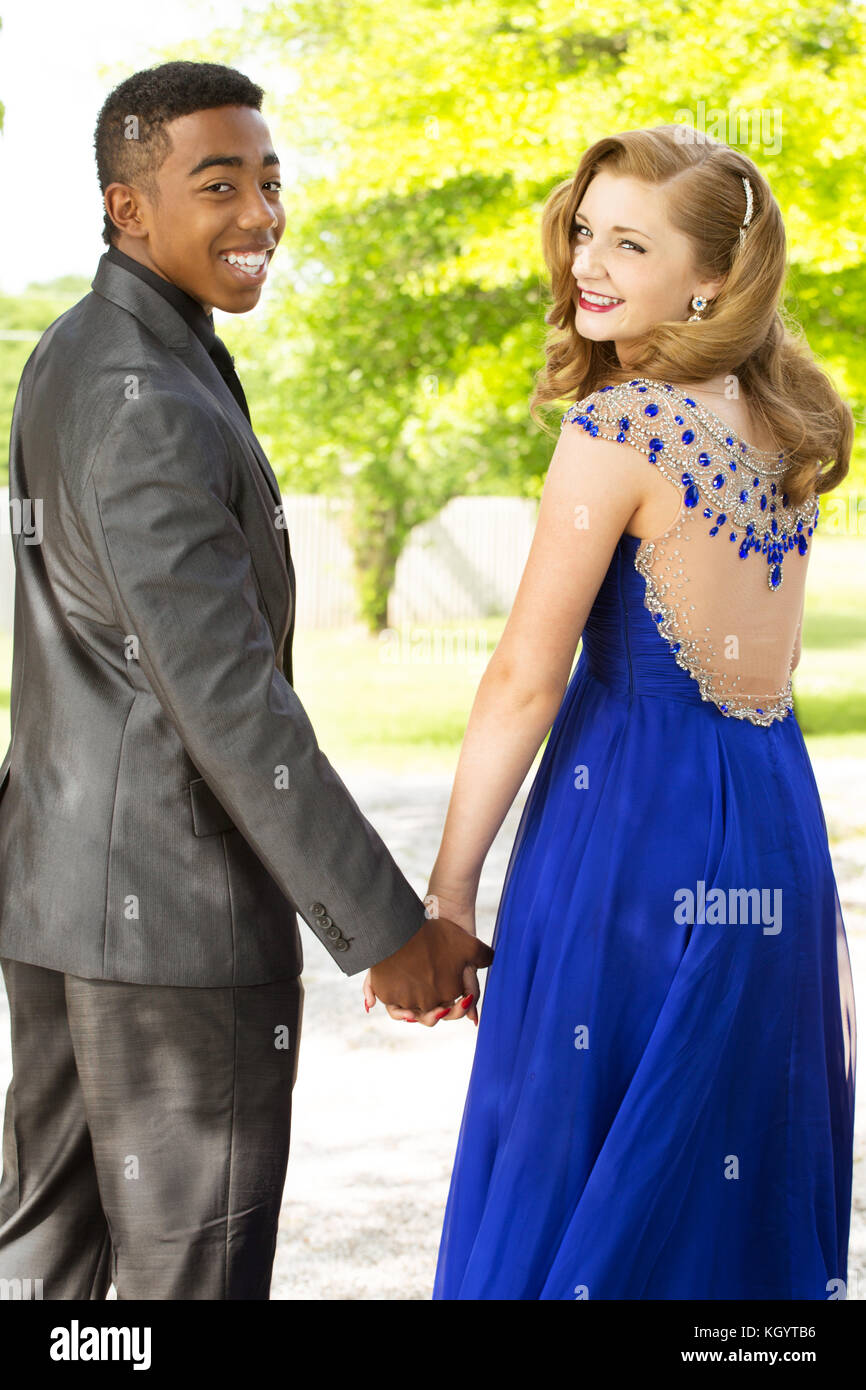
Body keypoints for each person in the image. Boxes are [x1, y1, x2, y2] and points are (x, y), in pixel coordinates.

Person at [0, 59, 492, 1301]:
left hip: (61, 903)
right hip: (166, 922)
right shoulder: (143, 394)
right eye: (217, 184)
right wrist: (387, 930)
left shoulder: (83, 350)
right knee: (188, 1276)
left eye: (269, 181)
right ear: (129, 208)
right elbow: (223, 698)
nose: (260, 214)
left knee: (53, 1269)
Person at [407, 125, 856, 1299]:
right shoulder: (788, 419)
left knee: (582, 1135)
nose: (585, 266)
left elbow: (521, 675)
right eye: (582, 232)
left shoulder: (616, 430)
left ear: (708, 277)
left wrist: (449, 896)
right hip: (768, 808)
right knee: (729, 1142)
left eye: (628, 242)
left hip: (630, 817)